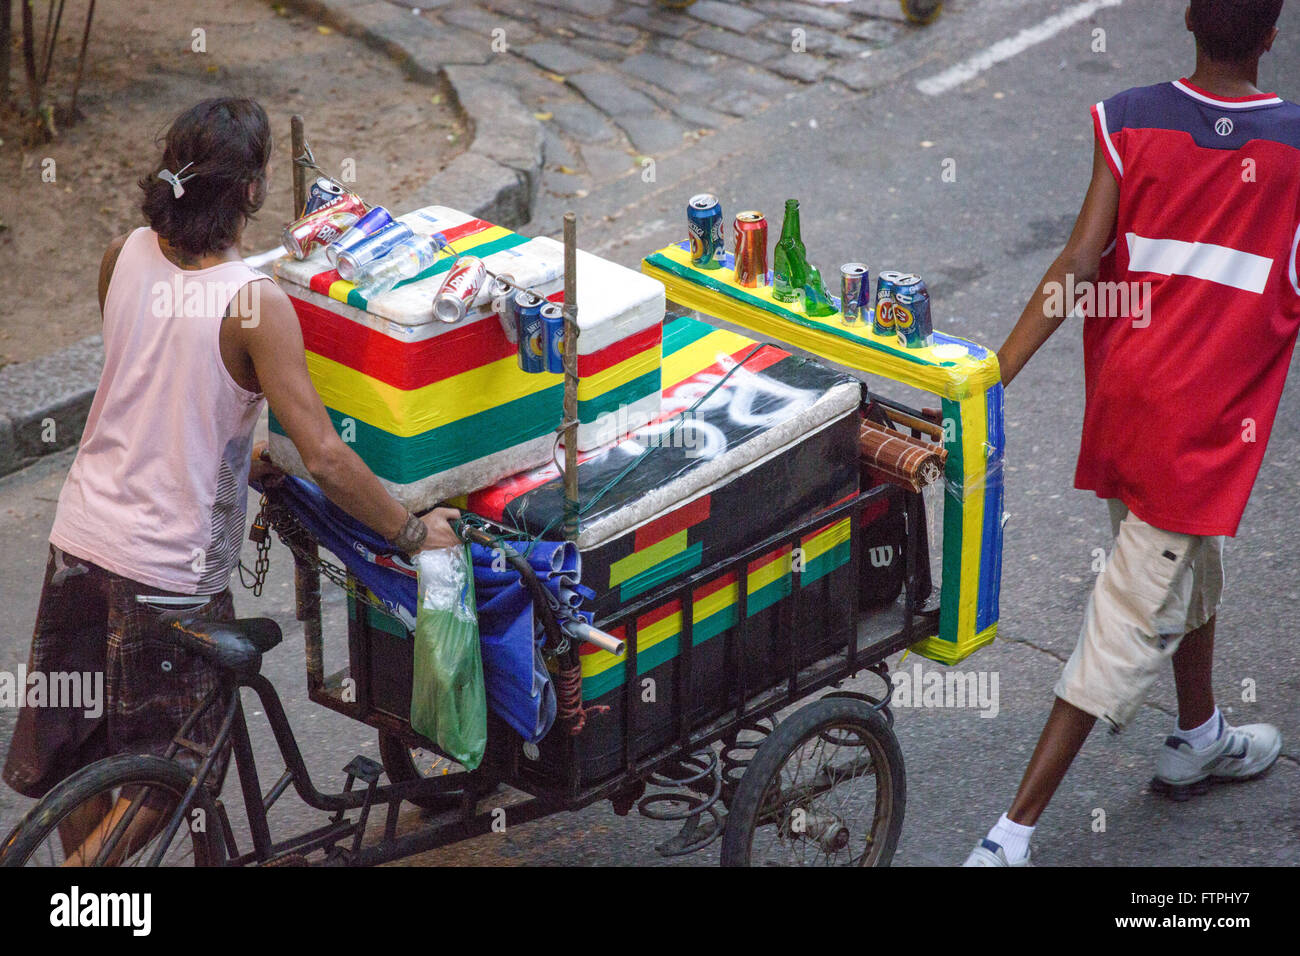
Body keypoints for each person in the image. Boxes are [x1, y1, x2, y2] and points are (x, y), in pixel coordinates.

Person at [1, 97, 460, 864]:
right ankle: (78, 898)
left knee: (78, 748)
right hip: (166, 570)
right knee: (179, 763)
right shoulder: (255, 305)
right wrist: (415, 533)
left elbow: (154, 379)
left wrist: (234, 449)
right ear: (250, 192)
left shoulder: (124, 253)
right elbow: (325, 455)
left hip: (78, 540)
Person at [964, 0, 1294, 866]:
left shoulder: (1130, 118)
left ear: (1187, 17)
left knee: (1185, 567)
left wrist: (993, 375)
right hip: (1199, 436)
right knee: (1124, 621)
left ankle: (1198, 734)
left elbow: (1079, 262)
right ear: (1273, 33)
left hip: (1125, 407)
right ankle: (1010, 836)